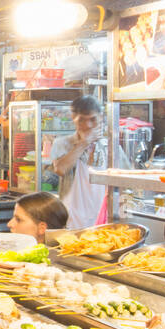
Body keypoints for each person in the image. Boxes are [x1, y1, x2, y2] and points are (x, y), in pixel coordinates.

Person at [47, 94, 129, 230]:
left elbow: (125, 182)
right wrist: (83, 143)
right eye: (82, 120)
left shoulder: (111, 147)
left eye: (93, 119)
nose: (88, 125)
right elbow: (60, 169)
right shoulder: (62, 143)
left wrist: (122, 213)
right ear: (73, 118)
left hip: (103, 217)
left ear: (101, 117)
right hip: (72, 218)